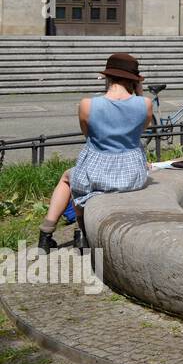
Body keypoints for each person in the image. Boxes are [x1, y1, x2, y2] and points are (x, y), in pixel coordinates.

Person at [38, 53, 153, 253]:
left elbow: (87, 134)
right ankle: (80, 232)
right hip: (132, 174)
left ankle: (48, 234)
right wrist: (140, 93)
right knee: (80, 178)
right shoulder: (145, 104)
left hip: (98, 170)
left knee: (69, 178)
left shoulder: (87, 104)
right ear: (134, 81)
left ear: (107, 77)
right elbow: (141, 130)